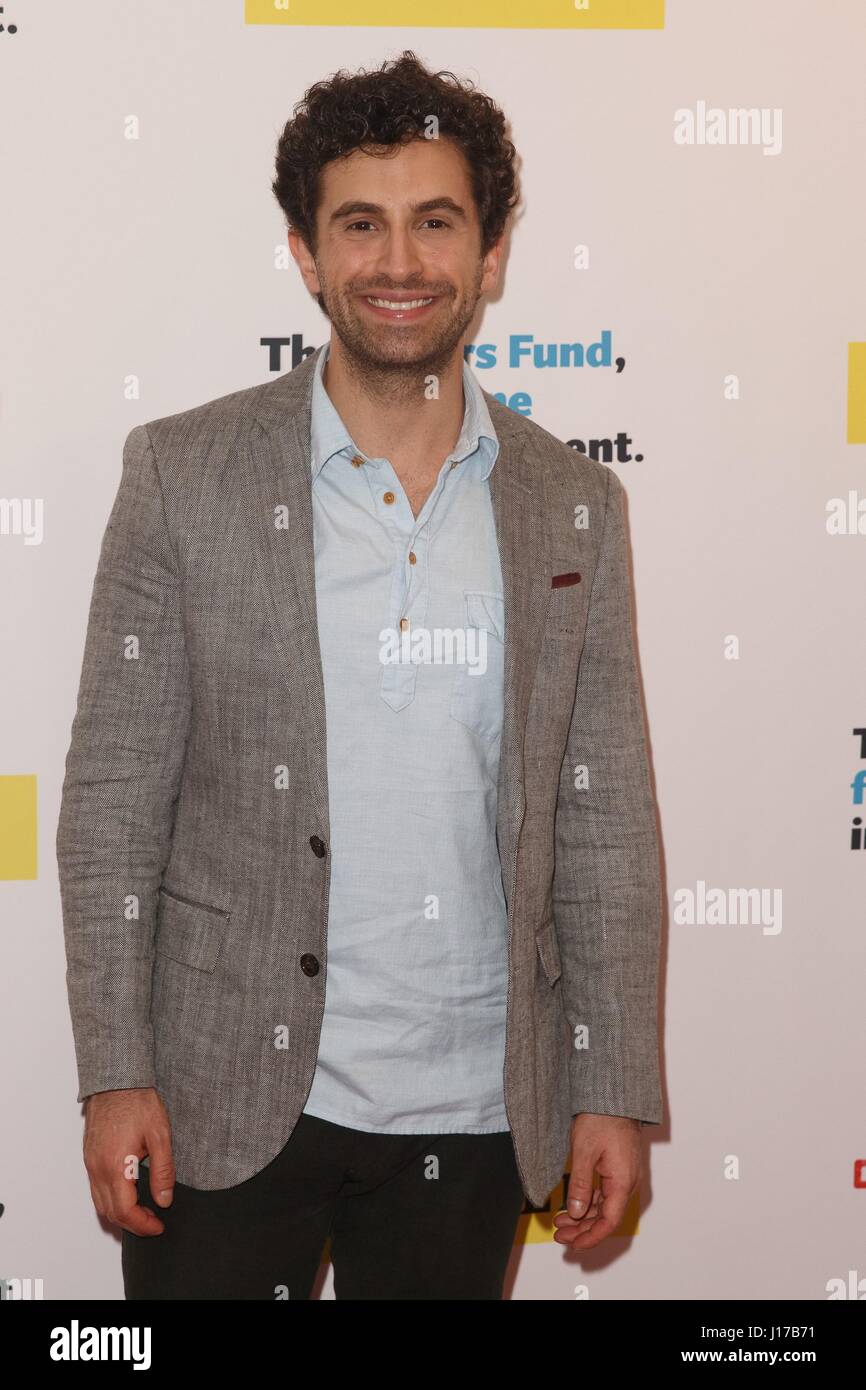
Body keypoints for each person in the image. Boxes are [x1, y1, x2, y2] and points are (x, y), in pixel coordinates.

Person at [56, 49, 663, 1301]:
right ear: (305, 251)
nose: (399, 264)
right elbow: (114, 804)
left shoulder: (572, 506)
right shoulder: (182, 475)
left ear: (489, 256)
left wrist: (611, 1084)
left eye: (435, 223)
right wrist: (116, 1069)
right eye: (361, 225)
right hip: (221, 1091)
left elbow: (602, 822)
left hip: (474, 1104)